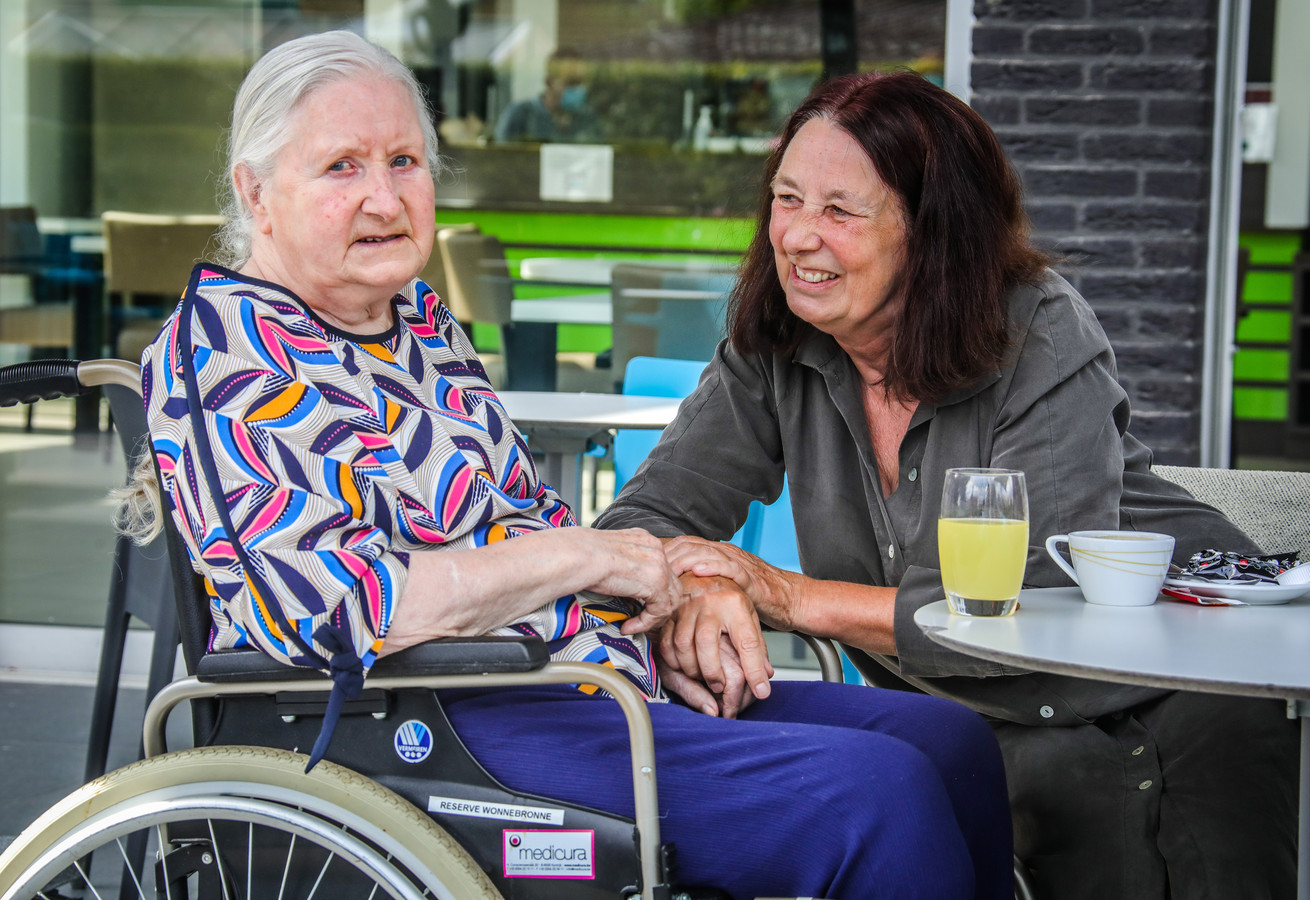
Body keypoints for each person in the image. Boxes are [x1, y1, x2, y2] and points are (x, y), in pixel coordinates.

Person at [131, 32, 1014, 900]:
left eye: (405, 160)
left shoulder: (417, 326)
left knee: (947, 741)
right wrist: (588, 558)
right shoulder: (223, 353)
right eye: (341, 168)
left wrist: (660, 600)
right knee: (877, 801)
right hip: (434, 719)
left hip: (575, 677)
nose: (384, 197)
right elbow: (333, 606)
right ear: (257, 193)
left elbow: (513, 522)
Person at [594, 71, 1300, 900]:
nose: (795, 236)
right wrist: (705, 576)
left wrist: (783, 594)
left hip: (1173, 698)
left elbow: (1030, 595)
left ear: (931, 234)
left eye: (839, 211)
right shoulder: (776, 344)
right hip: (971, 721)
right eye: (787, 200)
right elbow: (642, 521)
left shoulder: (1035, 328)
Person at [493, 49, 602, 144]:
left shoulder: (588, 119)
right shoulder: (521, 116)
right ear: (549, 82)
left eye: (582, 82)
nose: (579, 89)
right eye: (572, 83)